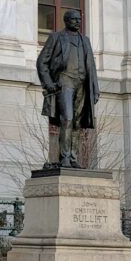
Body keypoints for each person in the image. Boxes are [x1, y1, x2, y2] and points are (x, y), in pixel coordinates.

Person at [37, 9, 100, 169]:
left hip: (82, 84)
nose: (77, 22)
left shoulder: (85, 40)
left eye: (79, 19)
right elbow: (41, 62)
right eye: (74, 19)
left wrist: (95, 88)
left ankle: (73, 158)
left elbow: (91, 65)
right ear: (66, 21)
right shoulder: (56, 37)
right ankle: (64, 157)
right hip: (64, 80)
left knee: (78, 122)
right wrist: (48, 83)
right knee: (68, 118)